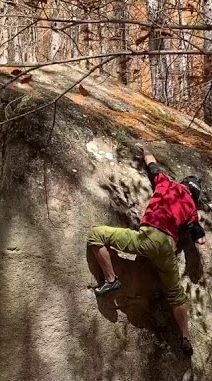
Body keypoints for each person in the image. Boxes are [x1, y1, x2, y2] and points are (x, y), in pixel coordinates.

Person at [87, 146, 205, 356]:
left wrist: (145, 149)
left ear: (183, 183)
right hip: (168, 246)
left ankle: (111, 279)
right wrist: (195, 220)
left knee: (96, 235)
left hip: (148, 237)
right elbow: (201, 238)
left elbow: (151, 165)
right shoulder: (191, 209)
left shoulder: (166, 183)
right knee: (176, 295)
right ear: (194, 196)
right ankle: (185, 337)